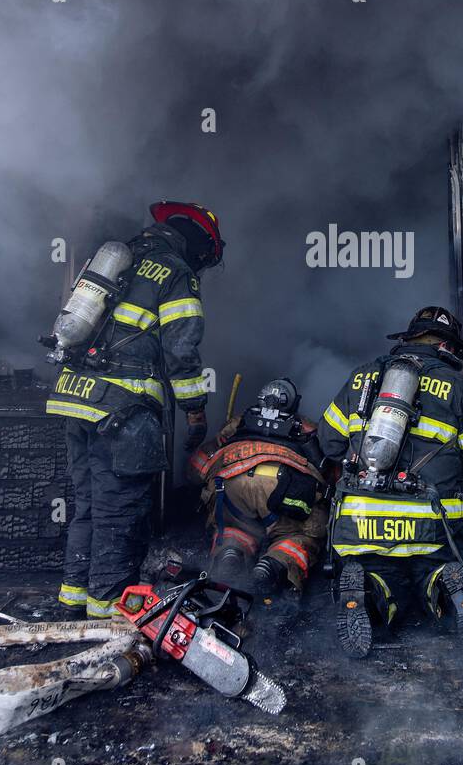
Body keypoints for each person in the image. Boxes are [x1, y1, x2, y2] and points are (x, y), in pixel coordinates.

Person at [48, 201, 223, 618]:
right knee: (119, 511)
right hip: (121, 410)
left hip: (75, 396)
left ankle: (74, 599)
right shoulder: (175, 273)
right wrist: (195, 412)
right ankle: (109, 613)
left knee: (88, 504)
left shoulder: (116, 260)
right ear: (197, 248)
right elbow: (181, 351)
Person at [319, 306, 463, 657]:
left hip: (360, 525)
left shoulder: (362, 377)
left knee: (381, 577)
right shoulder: (457, 388)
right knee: (429, 574)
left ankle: (365, 593)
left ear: (408, 340)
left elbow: (328, 443)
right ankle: (450, 591)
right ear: (447, 347)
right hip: (433, 526)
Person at [190, 378, 328, 595]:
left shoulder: (238, 423)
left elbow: (197, 463)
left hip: (230, 482)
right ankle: (273, 565)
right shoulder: (307, 427)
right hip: (282, 487)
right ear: (294, 403)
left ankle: (232, 551)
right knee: (296, 534)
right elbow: (328, 469)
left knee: (237, 527)